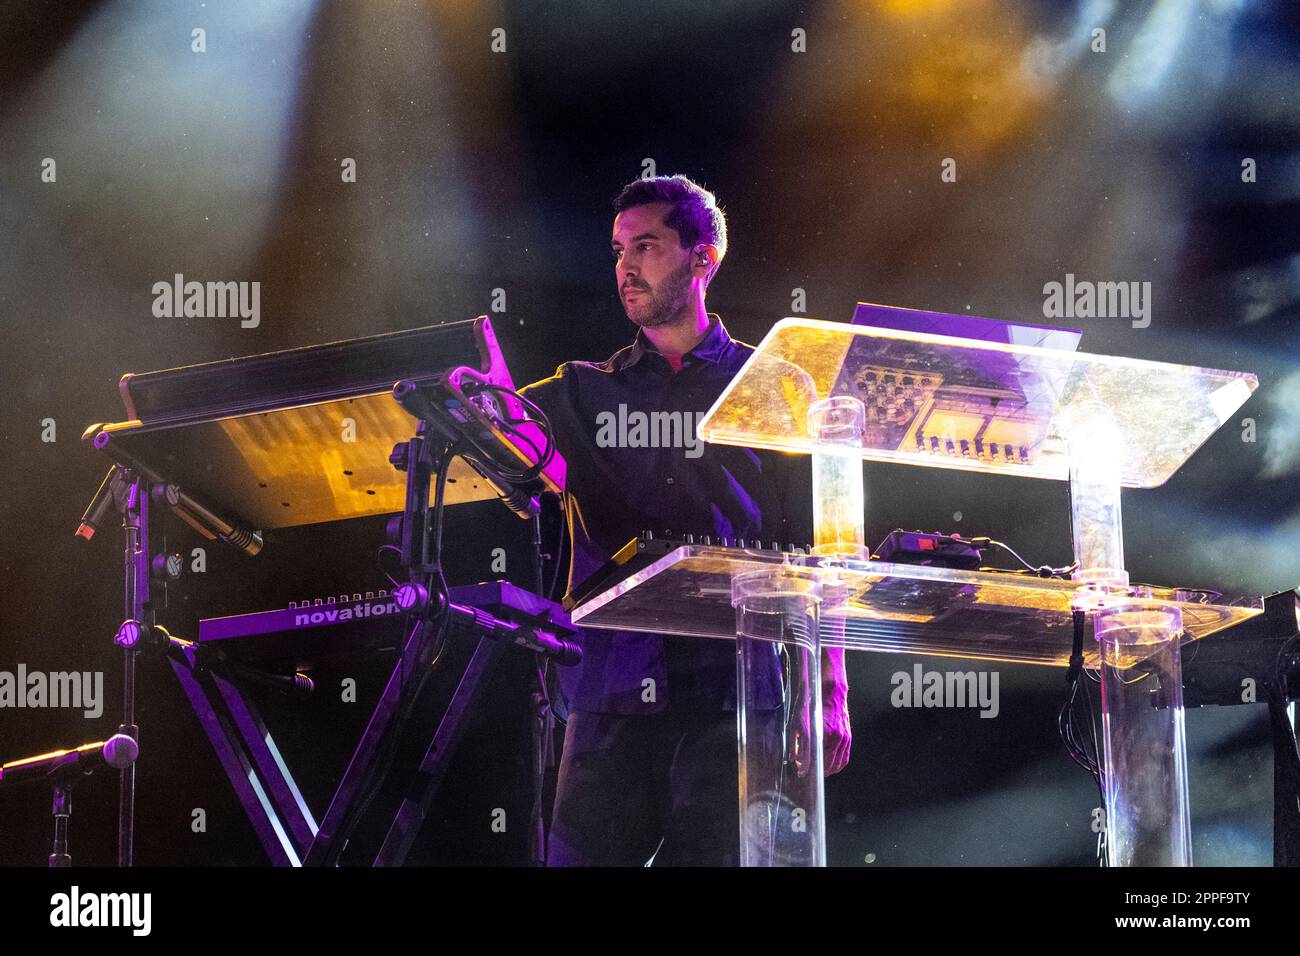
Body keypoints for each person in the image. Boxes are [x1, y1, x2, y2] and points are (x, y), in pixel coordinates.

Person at [521, 175, 850, 866]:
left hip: (735, 688)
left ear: (703, 259)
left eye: (646, 246)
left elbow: (824, 549)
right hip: (608, 686)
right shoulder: (578, 390)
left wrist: (830, 690)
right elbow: (491, 432)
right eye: (617, 251)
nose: (625, 268)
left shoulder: (778, 384)